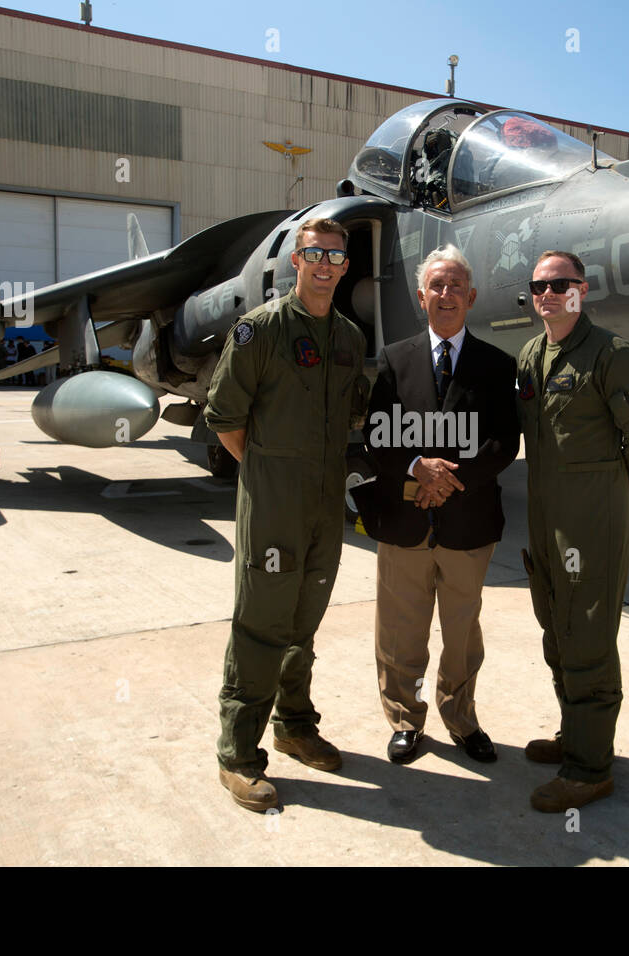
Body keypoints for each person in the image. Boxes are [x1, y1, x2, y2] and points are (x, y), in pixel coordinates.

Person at [205, 217, 369, 812]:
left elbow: (354, 418)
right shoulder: (261, 331)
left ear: (345, 267)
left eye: (335, 256)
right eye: (315, 254)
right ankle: (238, 755)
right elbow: (225, 419)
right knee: (261, 625)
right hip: (274, 505)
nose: (325, 265)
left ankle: (294, 725)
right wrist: (267, 475)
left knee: (304, 622)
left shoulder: (349, 338)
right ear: (296, 262)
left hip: (326, 504)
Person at [516, 250, 629, 812]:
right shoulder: (532, 354)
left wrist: (612, 485)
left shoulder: (610, 354)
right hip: (546, 521)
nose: (549, 293)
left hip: (591, 523)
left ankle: (590, 769)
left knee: (588, 635)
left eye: (561, 283)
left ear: (583, 290)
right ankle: (574, 736)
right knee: (557, 629)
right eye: (539, 285)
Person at [360, 245, 518, 765]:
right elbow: (376, 437)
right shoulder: (394, 359)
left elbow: (502, 442)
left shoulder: (497, 366)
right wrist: (415, 469)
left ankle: (461, 719)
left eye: (456, 287)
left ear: (470, 298)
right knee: (400, 630)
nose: (446, 295)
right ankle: (405, 719)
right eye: (437, 286)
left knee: (461, 633)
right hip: (403, 521)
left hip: (468, 525)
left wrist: (451, 479)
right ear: (421, 295)